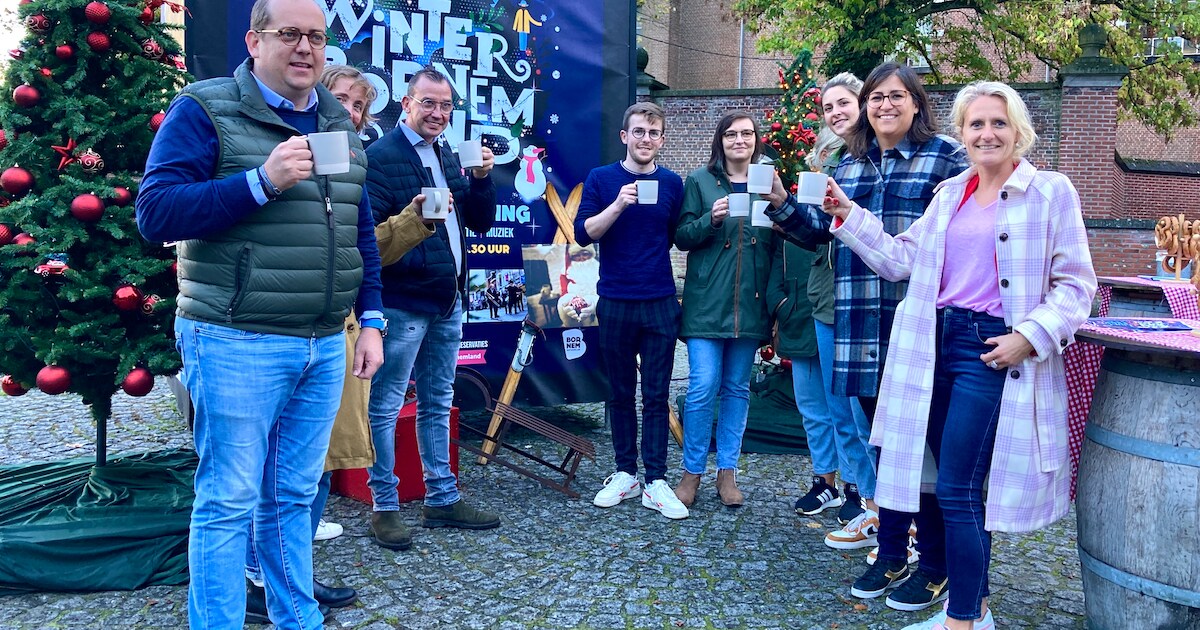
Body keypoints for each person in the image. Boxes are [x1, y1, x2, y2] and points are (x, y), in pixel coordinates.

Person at [135, 0, 385, 627]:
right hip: (233, 337)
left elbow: (358, 230)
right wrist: (261, 181)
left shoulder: (337, 121)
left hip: (322, 342)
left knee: (294, 496)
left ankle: (296, 618)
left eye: (316, 37)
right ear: (254, 41)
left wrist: (373, 319)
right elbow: (156, 214)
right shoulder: (206, 108)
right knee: (229, 500)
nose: (305, 47)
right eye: (289, 34)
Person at [821, 81, 1096, 630]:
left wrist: (1029, 336)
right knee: (947, 482)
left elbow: (1076, 286)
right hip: (934, 345)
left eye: (998, 123)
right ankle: (976, 608)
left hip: (990, 350)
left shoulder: (1050, 191)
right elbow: (901, 260)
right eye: (976, 124)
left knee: (957, 488)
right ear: (961, 134)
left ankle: (962, 620)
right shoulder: (951, 193)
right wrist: (848, 213)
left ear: (1019, 131)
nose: (987, 133)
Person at [764, 62, 968, 612]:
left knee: (926, 450)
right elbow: (820, 233)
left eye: (896, 96)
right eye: (877, 97)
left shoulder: (946, 158)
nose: (885, 106)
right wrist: (782, 201)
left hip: (919, 327)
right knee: (885, 447)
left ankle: (936, 563)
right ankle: (892, 551)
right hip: (858, 323)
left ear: (917, 103)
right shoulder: (849, 163)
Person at [240, 63, 438, 623]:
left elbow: (361, 250)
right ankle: (258, 577)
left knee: (319, 463)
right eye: (343, 100)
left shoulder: (351, 162)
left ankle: (289, 573)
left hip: (339, 329)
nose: (350, 113)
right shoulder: (287, 155)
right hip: (286, 329)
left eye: (359, 106)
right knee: (279, 468)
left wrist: (410, 224)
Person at [363, 65, 500, 552]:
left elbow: (479, 223)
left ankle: (442, 498)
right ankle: (384, 506)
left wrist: (481, 179)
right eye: (428, 103)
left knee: (438, 402)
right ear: (406, 103)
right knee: (384, 407)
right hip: (402, 303)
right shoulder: (381, 158)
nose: (438, 113)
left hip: (447, 300)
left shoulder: (447, 155)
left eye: (445, 105)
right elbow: (368, 243)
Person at [575, 102, 688, 520]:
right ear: (625, 136)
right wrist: (618, 204)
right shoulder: (602, 179)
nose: (646, 139)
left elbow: (676, 236)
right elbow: (583, 234)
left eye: (653, 133)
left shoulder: (672, 183)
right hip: (616, 300)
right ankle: (626, 473)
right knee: (620, 393)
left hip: (659, 301)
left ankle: (656, 479)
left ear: (662, 140)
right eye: (638, 131)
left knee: (656, 396)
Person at [673, 111, 777, 508]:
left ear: (756, 140)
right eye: (731, 134)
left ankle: (727, 472)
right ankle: (691, 472)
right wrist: (709, 220)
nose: (740, 140)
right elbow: (681, 237)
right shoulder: (700, 181)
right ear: (721, 140)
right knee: (702, 386)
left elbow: (777, 241)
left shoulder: (767, 182)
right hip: (706, 304)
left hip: (750, 304)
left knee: (736, 389)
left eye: (747, 133)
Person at [790, 73, 879, 531]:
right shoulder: (839, 166)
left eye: (844, 103)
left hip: (871, 300)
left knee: (866, 413)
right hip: (830, 300)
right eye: (828, 107)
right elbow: (815, 233)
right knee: (840, 407)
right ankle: (861, 495)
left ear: (863, 104)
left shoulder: (879, 161)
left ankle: (880, 505)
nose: (836, 112)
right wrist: (780, 203)